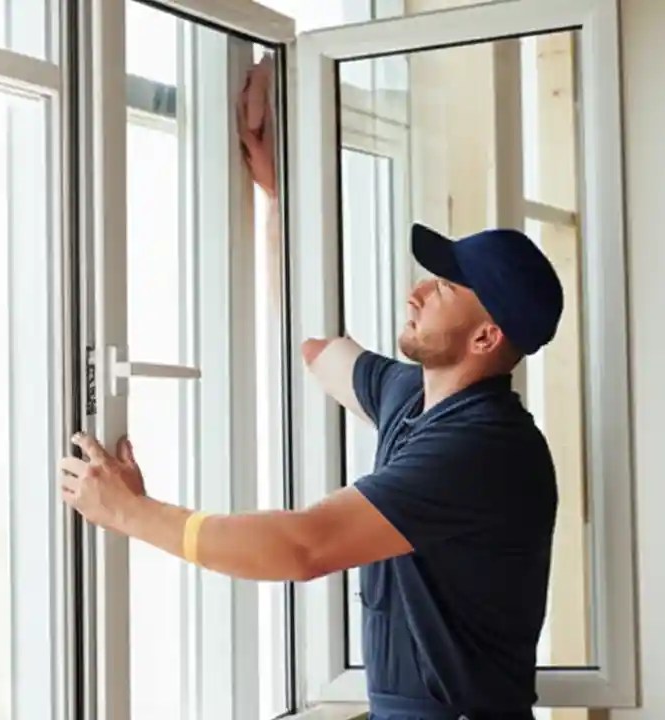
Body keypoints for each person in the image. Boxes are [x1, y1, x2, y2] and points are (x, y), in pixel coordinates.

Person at [58, 60, 562, 720]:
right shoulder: (414, 398)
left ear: (486, 338)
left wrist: (131, 514)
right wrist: (275, 199)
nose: (417, 289)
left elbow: (304, 547)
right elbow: (316, 347)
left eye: (443, 289)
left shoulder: (483, 450)